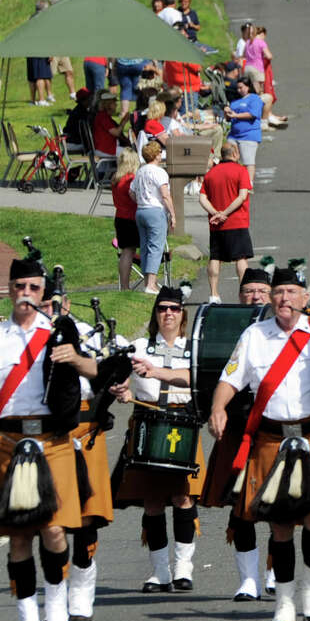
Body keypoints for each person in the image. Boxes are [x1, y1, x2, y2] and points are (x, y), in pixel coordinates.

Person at [209, 261, 310, 621]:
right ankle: (283, 604)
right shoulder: (254, 336)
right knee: (279, 525)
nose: (284, 299)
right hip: (271, 438)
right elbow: (229, 379)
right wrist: (218, 406)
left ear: (304, 297)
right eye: (278, 292)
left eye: (291, 292)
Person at [0, 258, 97, 621]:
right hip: (8, 443)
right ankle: (28, 620)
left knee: (53, 529)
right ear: (11, 289)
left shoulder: (61, 332)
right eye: (19, 287)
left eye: (33, 287)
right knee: (18, 537)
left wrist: (75, 359)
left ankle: (58, 607)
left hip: (52, 440)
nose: (26, 294)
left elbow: (94, 374)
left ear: (43, 291)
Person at [111, 288, 202, 593]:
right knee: (151, 502)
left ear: (182, 313)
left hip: (183, 424)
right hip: (147, 424)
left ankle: (183, 568)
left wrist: (157, 371)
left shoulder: (194, 346)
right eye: (162, 308)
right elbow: (120, 375)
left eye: (174, 308)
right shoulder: (139, 346)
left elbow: (195, 378)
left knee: (182, 497)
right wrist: (123, 390)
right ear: (155, 313)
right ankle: (160, 571)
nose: (168, 314)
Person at [198, 267, 273, 602]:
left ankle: (274, 572)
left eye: (261, 291)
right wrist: (216, 408)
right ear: (239, 296)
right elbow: (216, 376)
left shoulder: (285, 335)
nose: (255, 297)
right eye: (248, 291)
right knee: (239, 507)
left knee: (278, 507)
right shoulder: (225, 331)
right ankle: (248, 580)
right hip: (238, 430)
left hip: (274, 433)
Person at [199, 143, 253, 303]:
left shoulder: (211, 174)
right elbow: (242, 196)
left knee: (215, 257)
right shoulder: (241, 171)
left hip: (216, 224)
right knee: (241, 258)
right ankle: (243, 292)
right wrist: (225, 213)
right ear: (235, 153)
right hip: (237, 222)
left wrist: (215, 213)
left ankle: (214, 294)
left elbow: (202, 198)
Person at [130, 141, 175, 294]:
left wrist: (141, 200)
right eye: (160, 152)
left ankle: (146, 282)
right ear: (156, 155)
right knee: (156, 247)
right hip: (155, 211)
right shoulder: (159, 172)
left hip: (141, 210)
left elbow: (131, 192)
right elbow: (165, 195)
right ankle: (151, 284)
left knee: (145, 246)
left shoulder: (140, 171)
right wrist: (173, 215)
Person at [111, 149, 140, 291]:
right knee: (130, 251)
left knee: (126, 251)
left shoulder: (116, 178)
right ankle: (127, 285)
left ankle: (124, 285)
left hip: (120, 217)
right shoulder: (131, 179)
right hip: (132, 217)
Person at [224, 77, 263, 182]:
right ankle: (233, 182)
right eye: (237, 88)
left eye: (241, 87)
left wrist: (236, 115)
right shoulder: (234, 102)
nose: (239, 90)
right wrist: (227, 112)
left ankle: (249, 184)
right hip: (234, 135)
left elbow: (252, 114)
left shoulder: (255, 99)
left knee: (248, 161)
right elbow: (229, 119)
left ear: (248, 87)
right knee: (229, 159)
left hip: (249, 135)